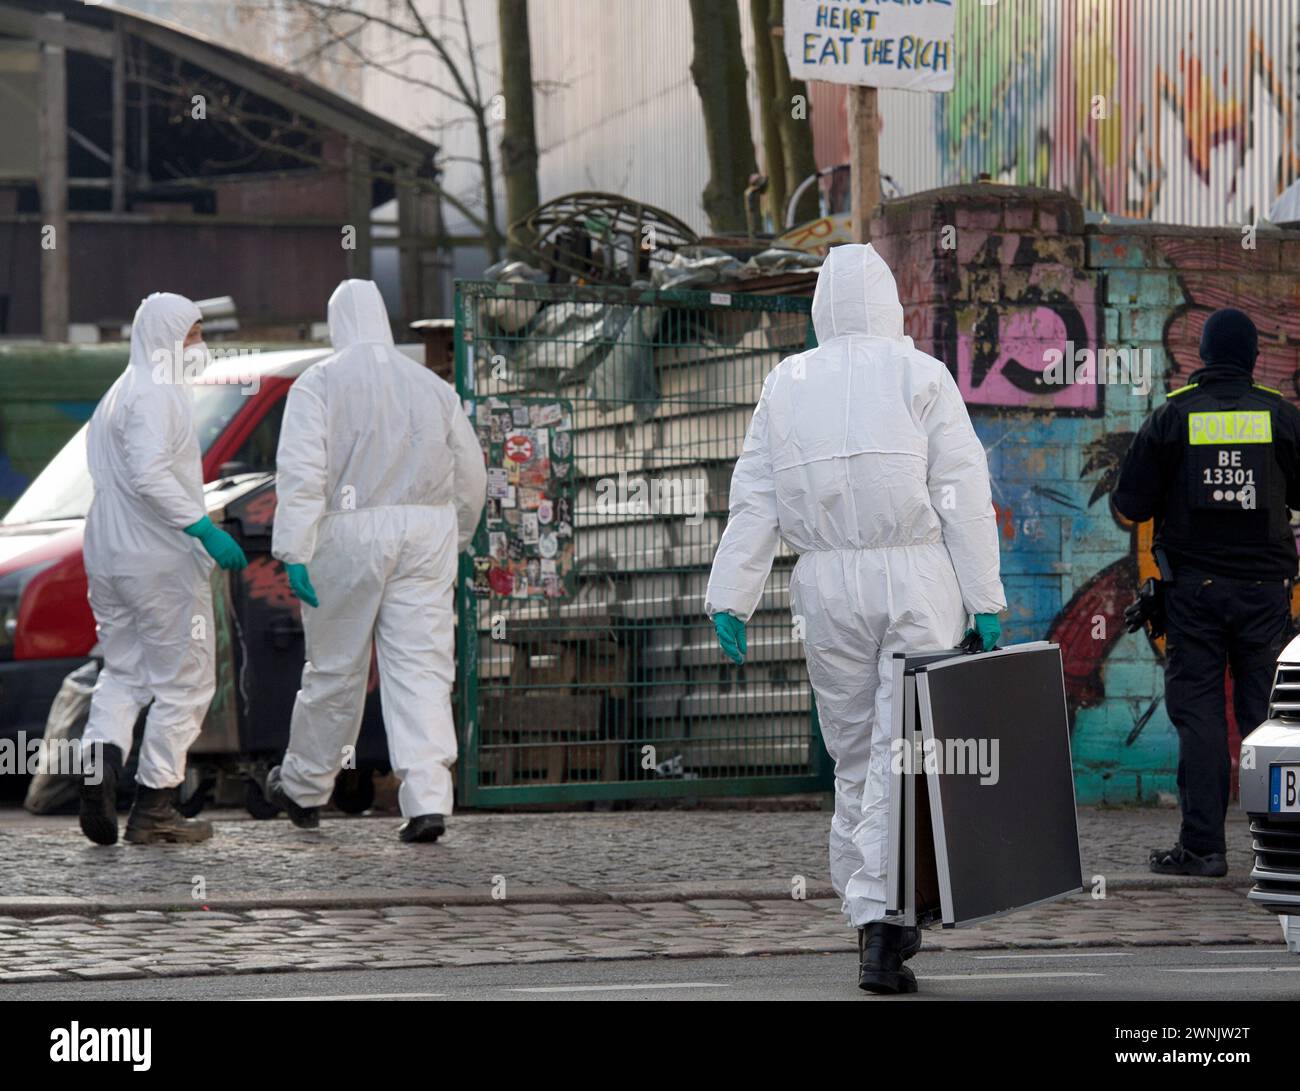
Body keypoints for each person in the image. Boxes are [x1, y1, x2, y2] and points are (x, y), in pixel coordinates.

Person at [706, 244, 1006, 994]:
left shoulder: (787, 382)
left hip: (826, 586)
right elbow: (961, 491)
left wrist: (730, 592)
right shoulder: (921, 375)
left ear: (819, 307)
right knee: (903, 748)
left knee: (855, 751)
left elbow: (757, 498)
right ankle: (883, 921)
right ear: (888, 302)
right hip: (916, 578)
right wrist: (985, 596)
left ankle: (874, 911)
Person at [265, 279, 487, 843]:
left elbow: (302, 473)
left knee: (336, 667)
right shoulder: (429, 385)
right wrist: (456, 535)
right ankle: (429, 798)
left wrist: (293, 548)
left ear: (337, 323)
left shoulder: (319, 383)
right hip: (427, 531)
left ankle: (305, 787)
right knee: (422, 667)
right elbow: (471, 472)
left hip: (348, 532)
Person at [1115, 307, 1300, 878]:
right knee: (1268, 718)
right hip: (1267, 593)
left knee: (1198, 716)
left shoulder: (1174, 415)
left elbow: (1130, 503)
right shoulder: (1280, 416)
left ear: (1203, 354)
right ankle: (1285, 848)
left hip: (1194, 592)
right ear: (1251, 359)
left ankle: (1203, 849)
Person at [78, 292, 248, 846]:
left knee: (123, 671)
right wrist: (201, 529)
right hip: (158, 559)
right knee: (186, 683)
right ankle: (155, 809)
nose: (201, 345)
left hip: (109, 555)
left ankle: (98, 769)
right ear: (170, 338)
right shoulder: (158, 394)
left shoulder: (120, 390)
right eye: (194, 334)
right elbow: (151, 476)